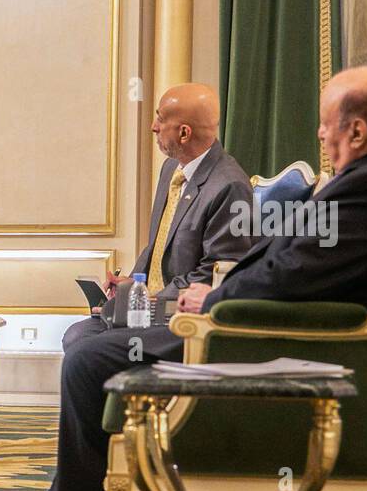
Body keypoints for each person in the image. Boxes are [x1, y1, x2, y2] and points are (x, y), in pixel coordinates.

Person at [0, 65, 367, 491]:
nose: (319, 132)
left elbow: (294, 277)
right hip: (249, 326)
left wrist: (215, 299)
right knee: (89, 346)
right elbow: (296, 267)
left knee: (88, 359)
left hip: (258, 340)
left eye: (326, 121)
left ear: (357, 129)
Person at [62, 84, 252, 353]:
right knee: (77, 334)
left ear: (184, 133)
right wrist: (131, 285)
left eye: (161, 119)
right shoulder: (172, 169)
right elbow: (160, 247)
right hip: (148, 309)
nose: (153, 126)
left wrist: (147, 300)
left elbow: (215, 274)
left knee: (84, 345)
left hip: (177, 319)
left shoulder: (228, 186)